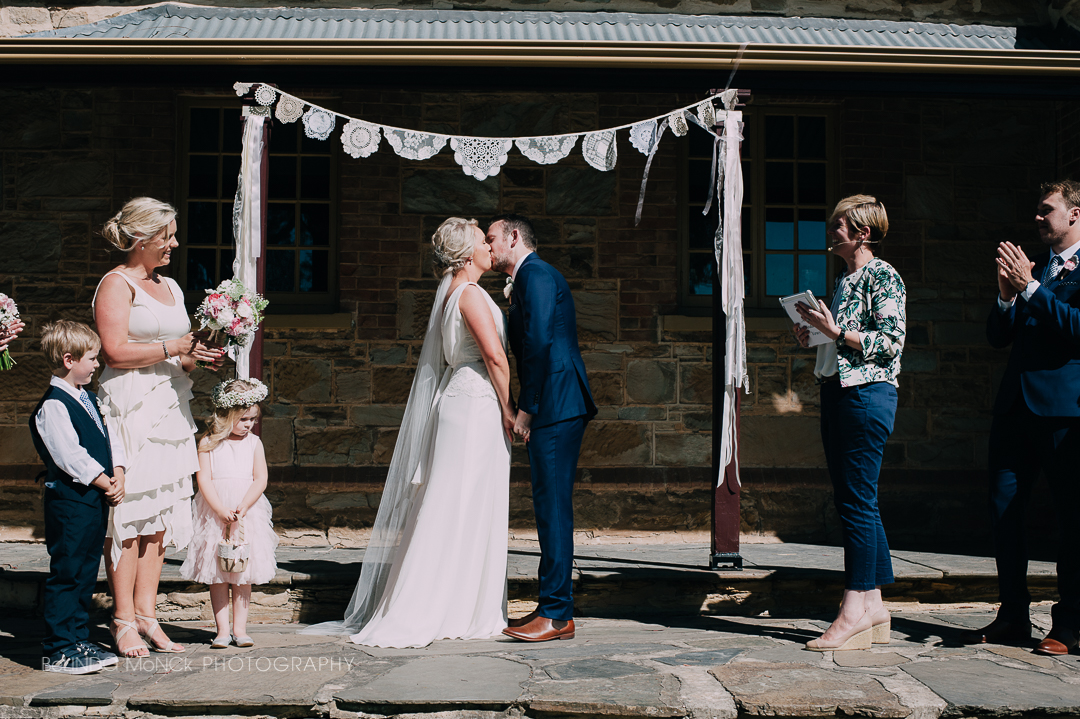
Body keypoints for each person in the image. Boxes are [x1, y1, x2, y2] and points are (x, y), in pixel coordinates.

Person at [304, 217, 515, 648]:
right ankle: (442, 606)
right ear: (466, 252)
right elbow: (494, 357)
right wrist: (510, 410)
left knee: (457, 501)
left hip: (461, 400)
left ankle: (457, 603)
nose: (489, 248)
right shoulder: (471, 294)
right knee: (460, 503)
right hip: (475, 403)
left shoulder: (452, 294)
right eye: (482, 241)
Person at [92, 197, 223, 658]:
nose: (174, 243)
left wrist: (196, 357)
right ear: (141, 239)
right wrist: (172, 346)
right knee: (130, 518)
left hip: (170, 404)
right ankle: (122, 619)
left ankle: (149, 616)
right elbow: (112, 352)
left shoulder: (169, 286)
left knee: (160, 519)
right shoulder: (116, 284)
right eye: (166, 236)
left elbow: (177, 353)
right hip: (130, 406)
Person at [962, 180, 1080, 656]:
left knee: (1072, 518)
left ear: (1075, 214)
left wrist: (1030, 287)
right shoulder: (1040, 270)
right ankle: (1012, 614)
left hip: (1065, 413)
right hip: (1015, 409)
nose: (1037, 217)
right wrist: (1007, 295)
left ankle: (1069, 624)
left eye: (1045, 210)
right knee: (1004, 511)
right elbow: (998, 337)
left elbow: (1076, 327)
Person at [792, 195, 905, 652]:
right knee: (854, 498)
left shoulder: (883, 274)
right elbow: (842, 342)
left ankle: (854, 606)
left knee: (857, 501)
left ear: (861, 232)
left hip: (866, 395)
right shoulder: (844, 280)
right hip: (838, 389)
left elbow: (889, 343)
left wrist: (836, 332)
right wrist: (814, 334)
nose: (830, 228)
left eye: (839, 223)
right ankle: (874, 601)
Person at [486, 214, 597, 643]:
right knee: (548, 506)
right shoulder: (530, 276)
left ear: (514, 237)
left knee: (552, 508)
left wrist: (526, 409)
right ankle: (553, 607)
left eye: (493, 239)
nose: (489, 246)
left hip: (554, 404)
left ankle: (556, 613)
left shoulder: (535, 274)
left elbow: (538, 343)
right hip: (555, 402)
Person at [29, 321, 125, 674]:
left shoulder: (88, 398)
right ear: (69, 360)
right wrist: (105, 482)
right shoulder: (54, 406)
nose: (97, 364)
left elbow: (108, 440)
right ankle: (58, 649)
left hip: (92, 500)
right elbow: (69, 456)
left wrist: (119, 474)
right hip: (70, 501)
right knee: (67, 571)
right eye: (92, 358)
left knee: (86, 570)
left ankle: (77, 637)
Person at [181, 379, 277, 649]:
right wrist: (220, 509)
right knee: (218, 573)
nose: (249, 424)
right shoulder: (209, 442)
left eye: (252, 419)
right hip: (216, 515)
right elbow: (204, 480)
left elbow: (260, 479)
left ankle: (240, 629)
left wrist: (244, 506)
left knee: (242, 573)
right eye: (244, 419)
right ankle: (222, 630)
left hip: (246, 514)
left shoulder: (254, 443)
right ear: (226, 415)